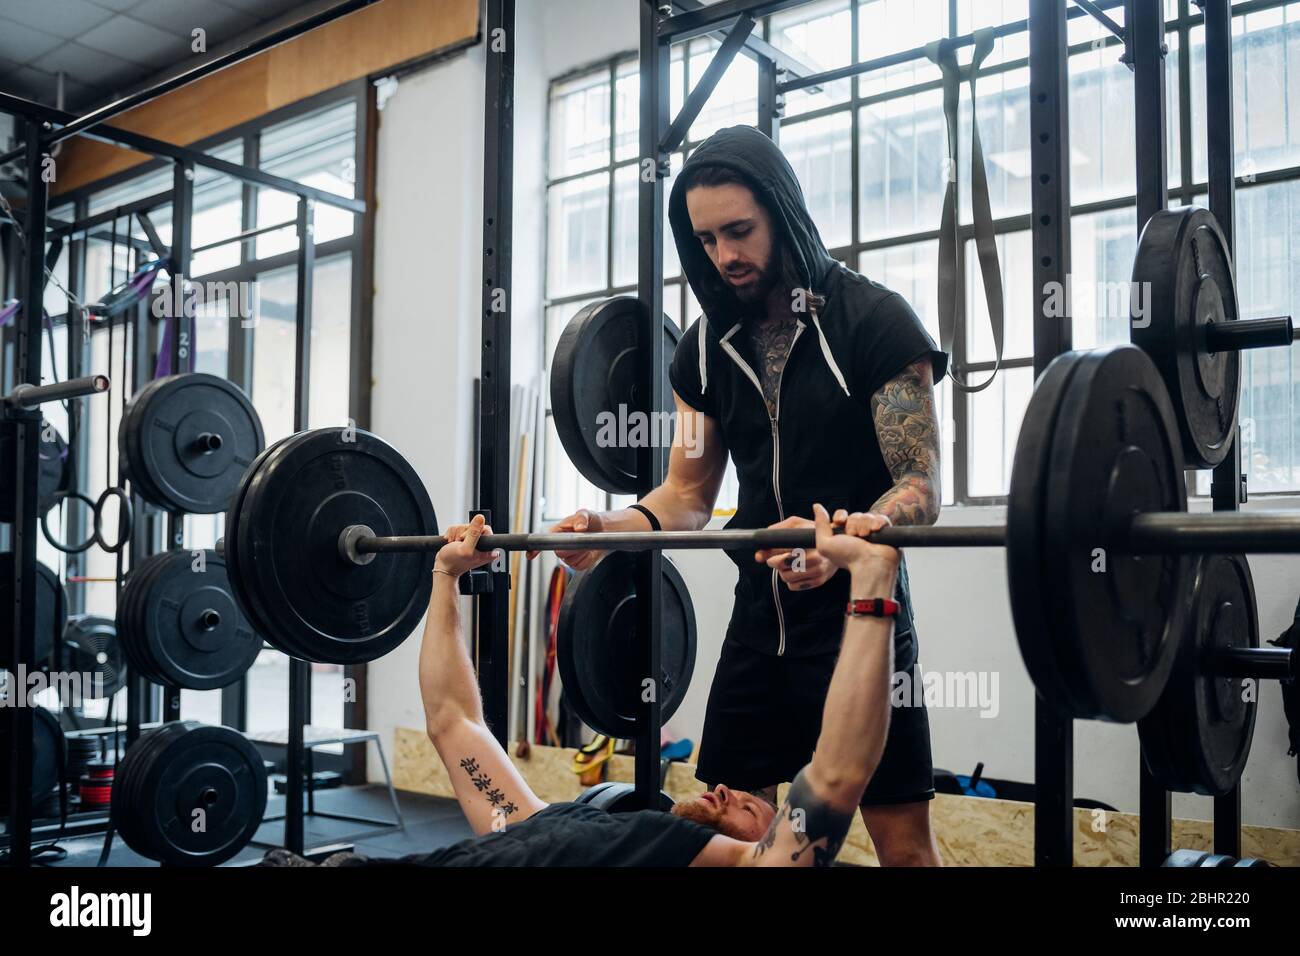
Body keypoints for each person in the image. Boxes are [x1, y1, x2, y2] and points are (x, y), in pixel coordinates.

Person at [536, 125, 947, 865]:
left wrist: (856, 537)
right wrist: (610, 526)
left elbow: (920, 484)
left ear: (783, 215)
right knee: (732, 835)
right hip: (759, 628)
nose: (725, 255)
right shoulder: (701, 349)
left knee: (903, 848)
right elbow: (687, 494)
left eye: (740, 231)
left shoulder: (874, 323)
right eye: (707, 240)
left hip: (861, 621)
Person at [261, 509, 900, 868]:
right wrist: (443, 578)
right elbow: (454, 723)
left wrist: (872, 584)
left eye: (754, 810)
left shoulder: (724, 865)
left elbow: (840, 773)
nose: (726, 788)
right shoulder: (542, 822)